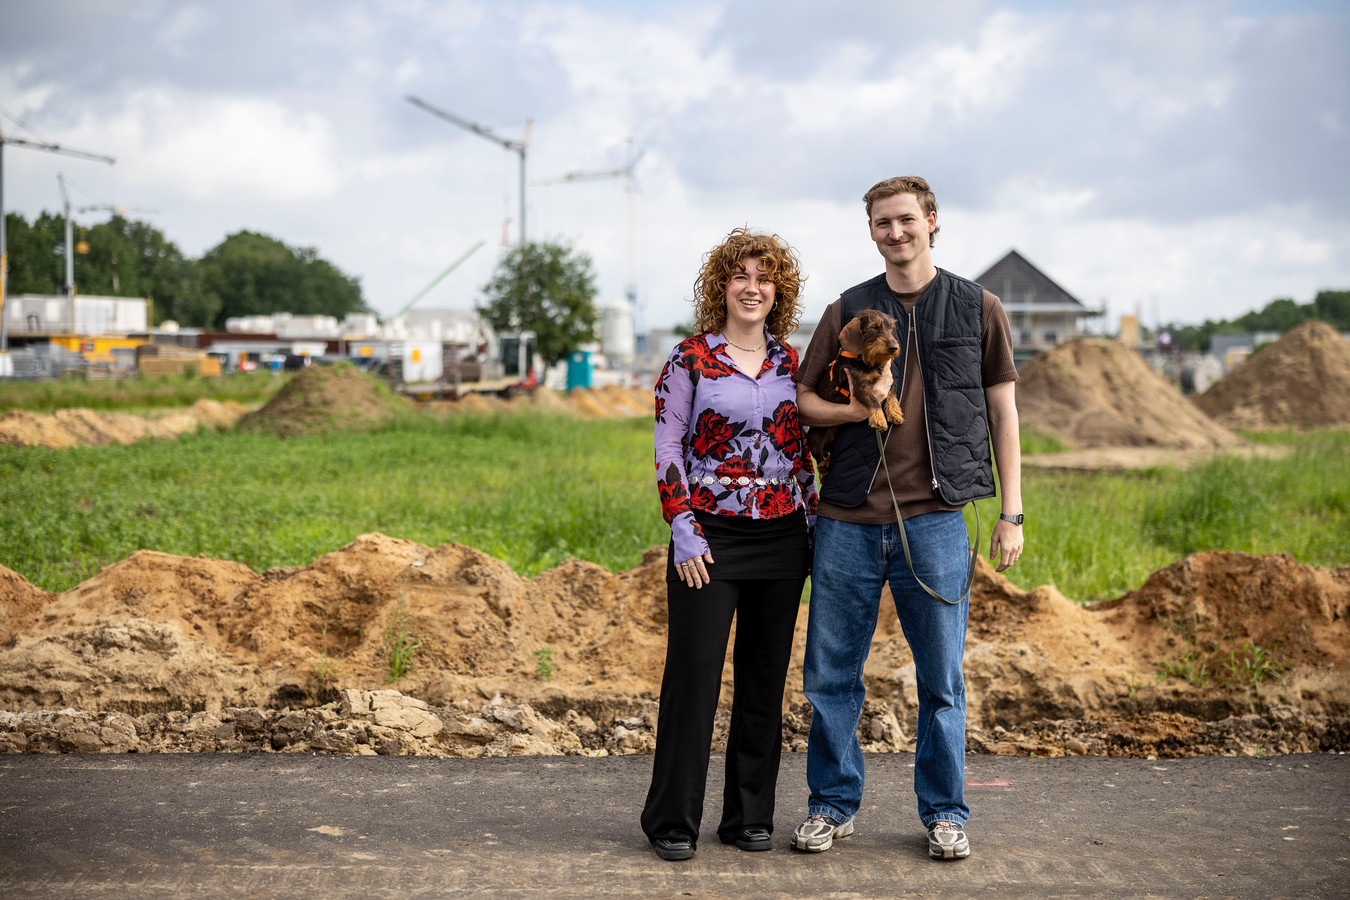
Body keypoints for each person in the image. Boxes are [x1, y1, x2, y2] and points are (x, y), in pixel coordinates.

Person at [791, 176, 1023, 861]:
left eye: (905, 220)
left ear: (931, 221)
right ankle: (831, 805)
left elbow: (1004, 414)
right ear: (871, 232)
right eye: (882, 223)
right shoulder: (847, 309)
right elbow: (803, 400)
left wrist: (1011, 513)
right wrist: (857, 412)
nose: (895, 232)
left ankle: (945, 812)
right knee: (831, 675)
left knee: (942, 680)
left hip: (936, 520)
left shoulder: (979, 307)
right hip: (846, 520)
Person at [641, 227, 818, 861]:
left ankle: (748, 816)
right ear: (722, 287)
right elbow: (668, 448)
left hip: (781, 536)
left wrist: (815, 526)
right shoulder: (688, 358)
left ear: (779, 292)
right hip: (708, 540)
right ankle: (672, 821)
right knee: (693, 677)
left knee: (764, 682)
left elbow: (801, 455)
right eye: (740, 277)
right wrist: (682, 529)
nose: (752, 288)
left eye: (764, 279)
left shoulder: (791, 363)